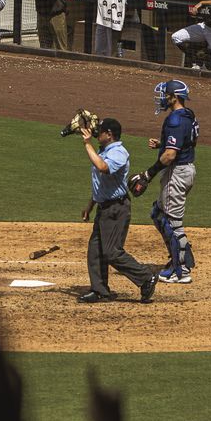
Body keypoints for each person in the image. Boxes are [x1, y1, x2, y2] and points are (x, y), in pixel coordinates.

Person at [78, 117, 156, 304]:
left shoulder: (119, 152)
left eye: (100, 131)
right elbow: (101, 185)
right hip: (104, 207)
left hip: (116, 209)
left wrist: (87, 144)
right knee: (95, 250)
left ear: (109, 134)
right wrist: (90, 205)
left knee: (111, 252)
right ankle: (100, 290)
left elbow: (103, 167)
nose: (97, 134)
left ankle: (146, 278)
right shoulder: (103, 151)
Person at [140, 80, 201, 285]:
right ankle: (179, 256)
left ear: (175, 97)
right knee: (158, 214)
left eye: (166, 94)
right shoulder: (188, 115)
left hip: (176, 173)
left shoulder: (175, 119)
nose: (162, 98)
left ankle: (180, 270)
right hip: (186, 170)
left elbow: (170, 156)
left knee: (172, 222)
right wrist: (162, 144)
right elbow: (185, 143)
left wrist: (148, 174)